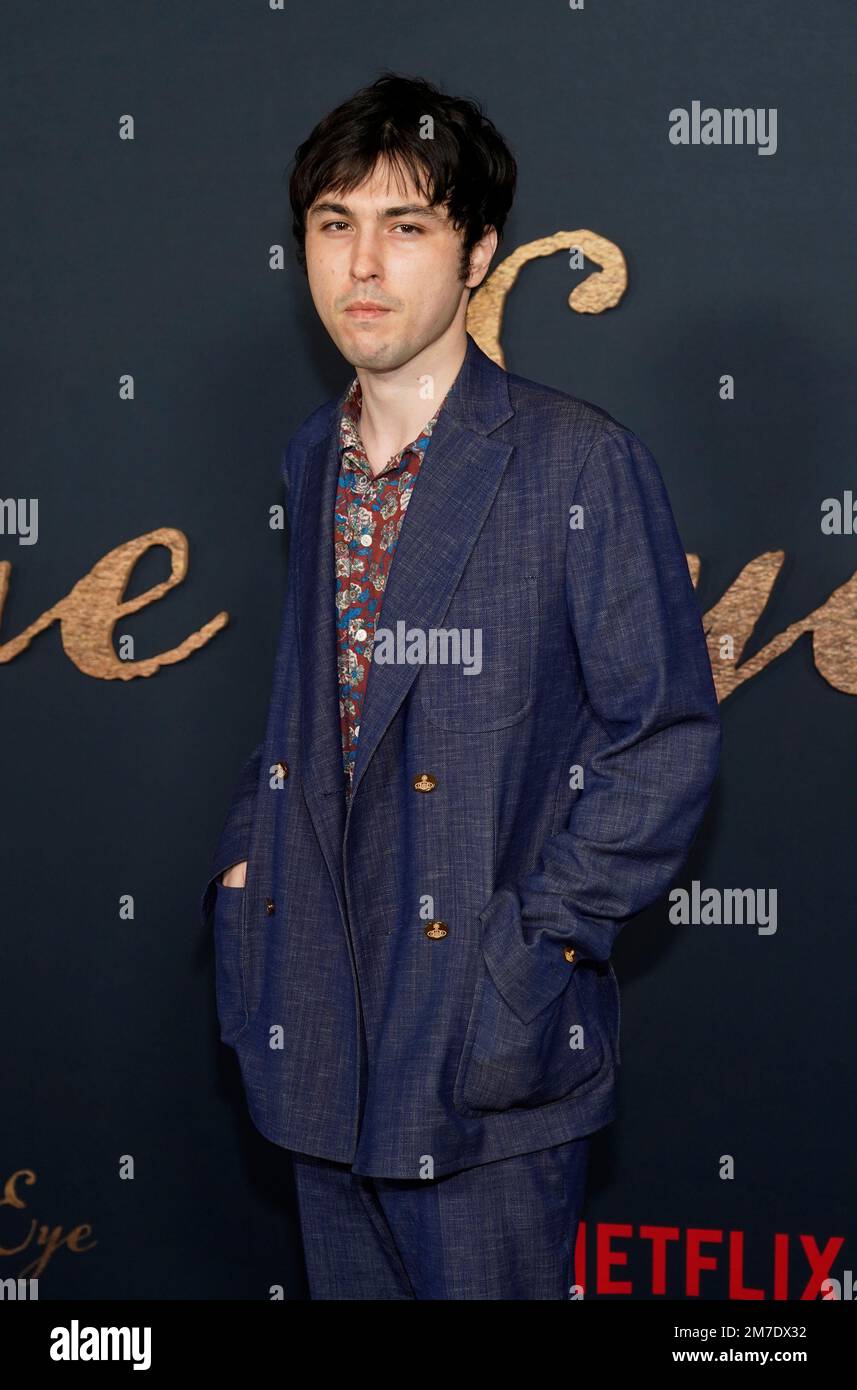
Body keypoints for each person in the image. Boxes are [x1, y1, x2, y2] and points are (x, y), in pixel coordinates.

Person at [201, 71, 721, 1300]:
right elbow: (308, 713)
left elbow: (665, 736)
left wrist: (530, 950)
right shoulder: (309, 460)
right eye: (334, 225)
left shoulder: (575, 459)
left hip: (482, 1052)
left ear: (478, 251)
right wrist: (244, 874)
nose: (362, 265)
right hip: (316, 1039)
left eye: (405, 226)